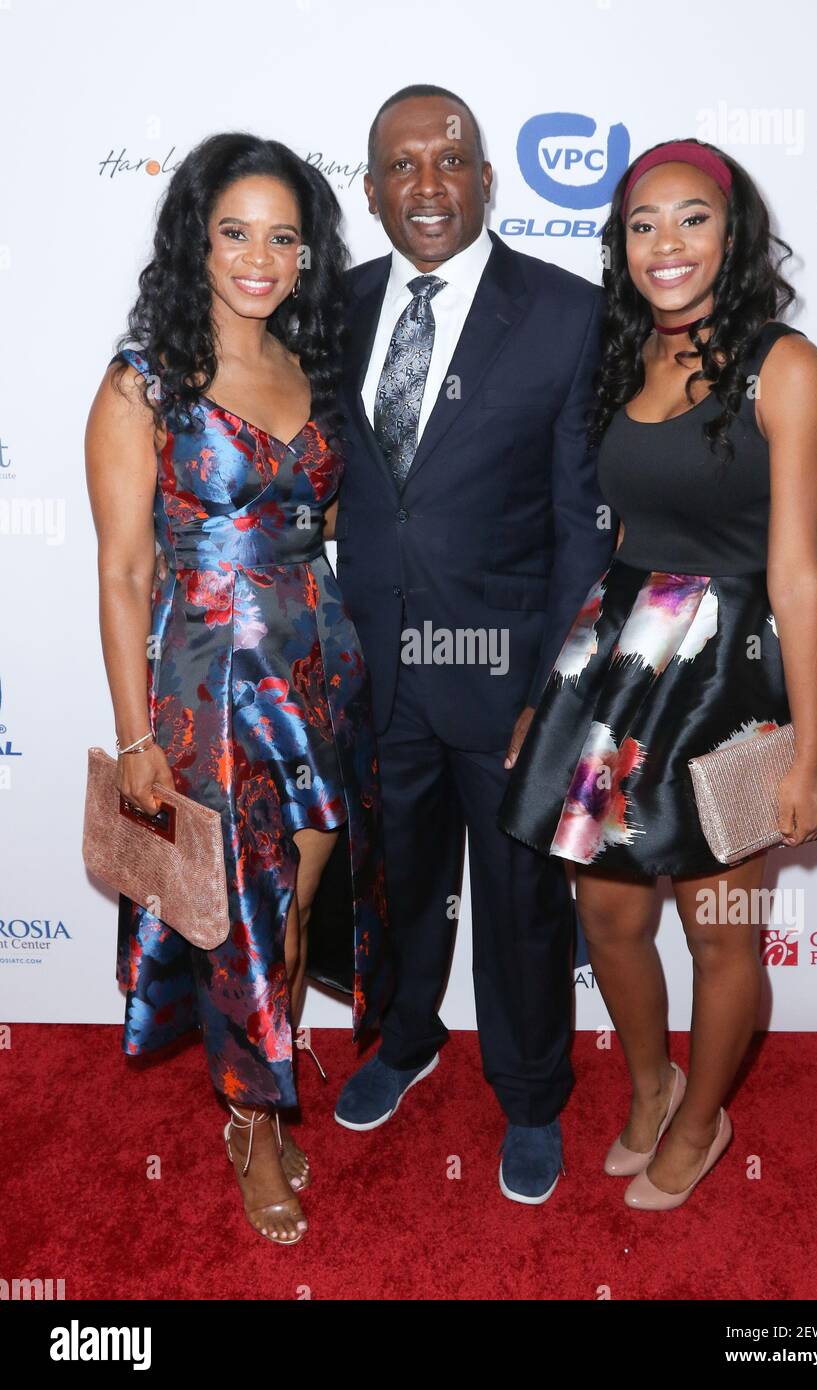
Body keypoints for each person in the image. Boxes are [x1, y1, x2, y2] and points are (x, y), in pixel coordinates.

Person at [498, 138, 817, 1210]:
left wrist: (806, 755)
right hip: (617, 658)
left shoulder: (784, 366)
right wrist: (546, 698)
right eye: (642, 223)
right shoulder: (629, 355)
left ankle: (703, 1122)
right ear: (620, 245)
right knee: (609, 918)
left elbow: (797, 576)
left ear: (733, 229)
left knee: (720, 933)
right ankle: (653, 1078)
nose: (667, 243)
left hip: (730, 674)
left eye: (692, 217)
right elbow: (605, 536)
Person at [85, 132, 392, 1245]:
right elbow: (124, 573)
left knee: (296, 910)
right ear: (196, 240)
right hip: (204, 692)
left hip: (320, 672)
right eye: (235, 233)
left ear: (306, 253)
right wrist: (135, 738)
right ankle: (253, 1128)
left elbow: (332, 523)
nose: (258, 257)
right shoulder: (143, 381)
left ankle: (264, 1081)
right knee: (241, 928)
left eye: (282, 237)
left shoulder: (314, 369)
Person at [331, 85, 613, 1204]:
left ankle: (533, 1090)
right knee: (394, 883)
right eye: (401, 166)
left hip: (504, 682)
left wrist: (553, 689)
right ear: (371, 191)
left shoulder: (562, 313)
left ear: (487, 179)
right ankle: (405, 1040)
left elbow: (580, 524)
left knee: (518, 899)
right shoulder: (332, 307)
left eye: (450, 161)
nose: (428, 184)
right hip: (373, 670)